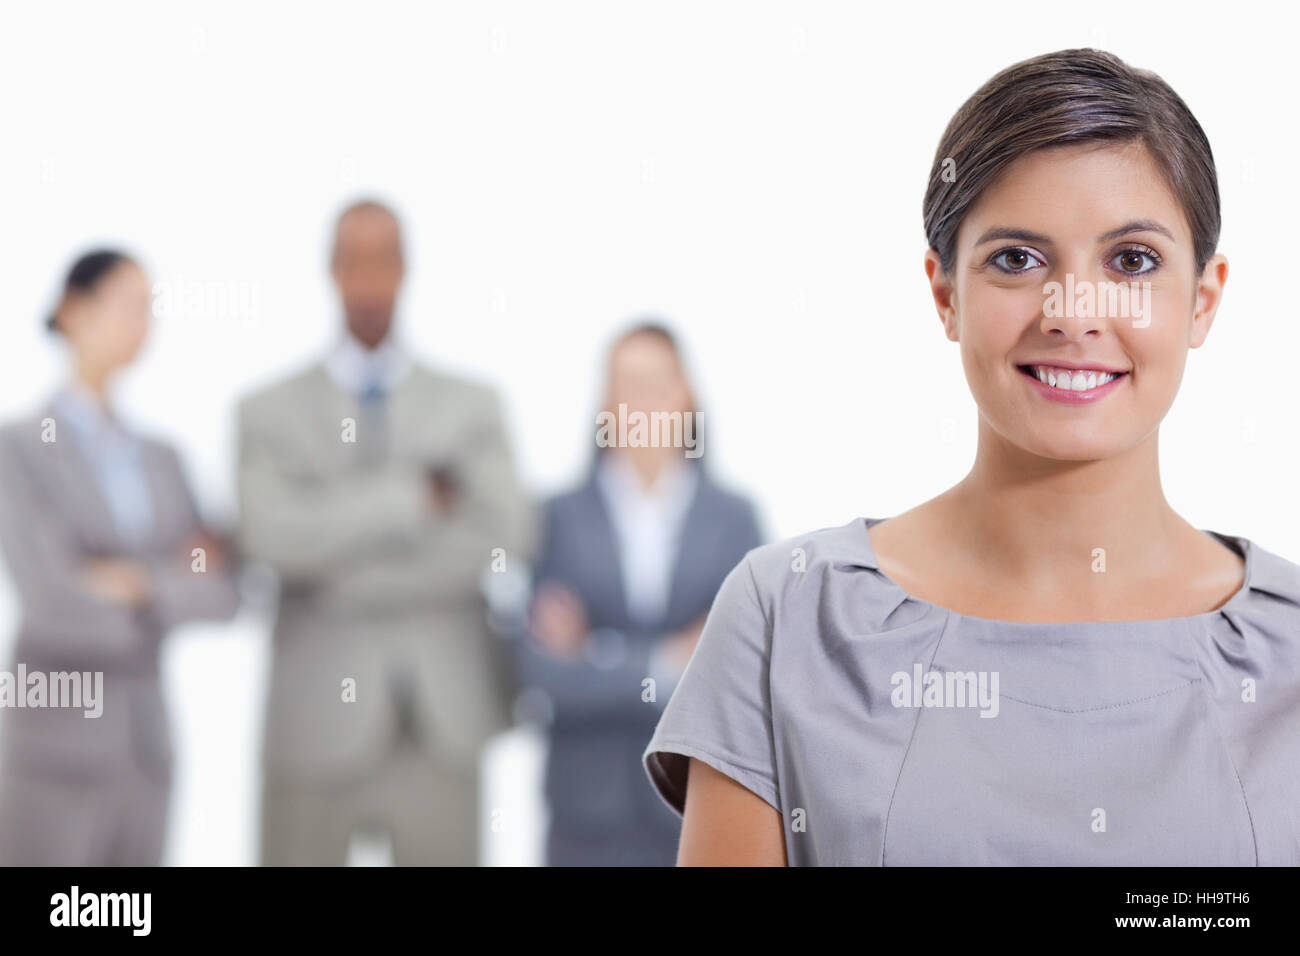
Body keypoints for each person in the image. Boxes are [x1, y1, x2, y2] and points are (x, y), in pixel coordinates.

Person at [643, 48, 1300, 865]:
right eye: (1017, 260)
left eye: (1131, 261)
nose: (1072, 313)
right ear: (945, 293)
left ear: (1203, 300)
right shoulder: (788, 619)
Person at [237, 199, 533, 866]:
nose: (369, 278)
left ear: (406, 268)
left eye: (385, 259)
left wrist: (338, 565)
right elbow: (268, 538)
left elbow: (505, 534)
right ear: (330, 269)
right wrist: (408, 498)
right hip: (313, 724)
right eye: (353, 259)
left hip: (442, 721)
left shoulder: (472, 405)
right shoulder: (266, 411)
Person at [0, 249, 240, 865]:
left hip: (146, 747)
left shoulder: (162, 457)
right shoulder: (20, 448)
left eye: (150, 310)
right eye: (130, 305)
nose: (144, 324)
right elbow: (51, 601)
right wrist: (170, 582)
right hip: (54, 747)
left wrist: (134, 583)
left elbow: (222, 591)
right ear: (73, 310)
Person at [514, 321, 762, 866]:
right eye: (625, 385)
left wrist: (596, 651)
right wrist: (668, 660)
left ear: (686, 396)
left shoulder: (734, 521)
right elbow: (541, 672)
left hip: (698, 807)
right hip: (584, 817)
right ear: (604, 403)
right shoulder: (556, 518)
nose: (641, 404)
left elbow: (744, 674)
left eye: (657, 385)